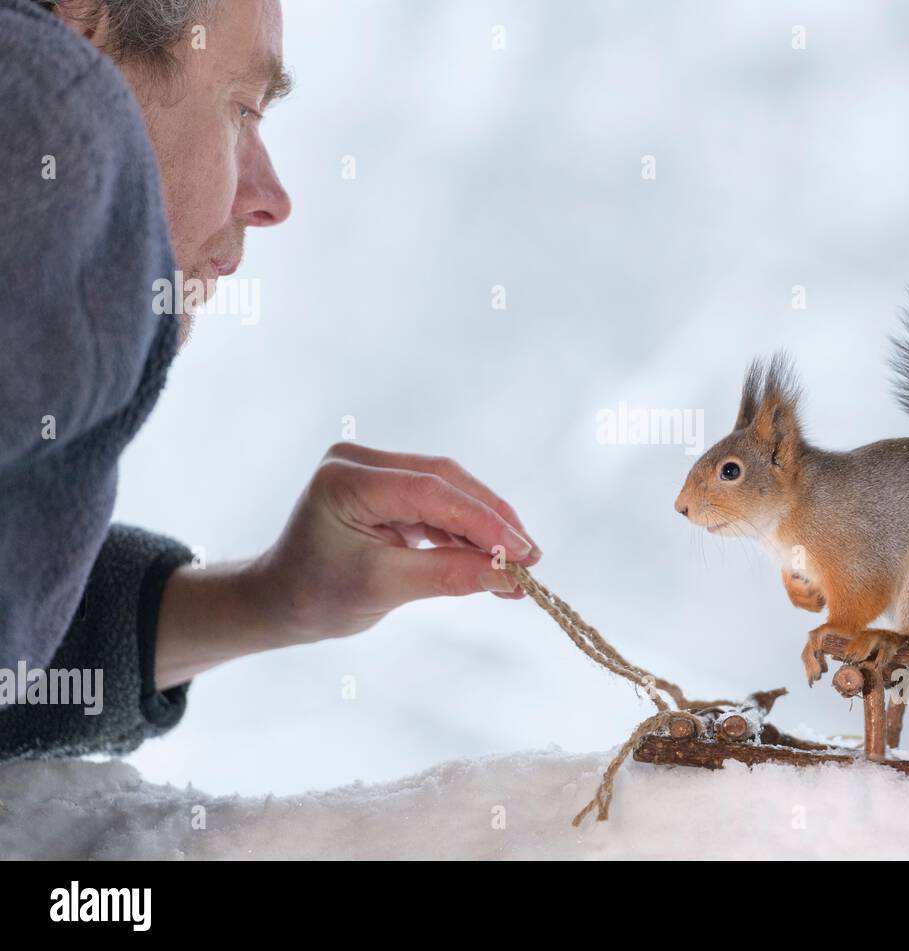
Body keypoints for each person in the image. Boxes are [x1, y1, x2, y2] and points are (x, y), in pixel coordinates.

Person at [0, 0, 540, 760]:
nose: (272, 199)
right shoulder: (50, 105)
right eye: (242, 109)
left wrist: (269, 600)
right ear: (82, 18)